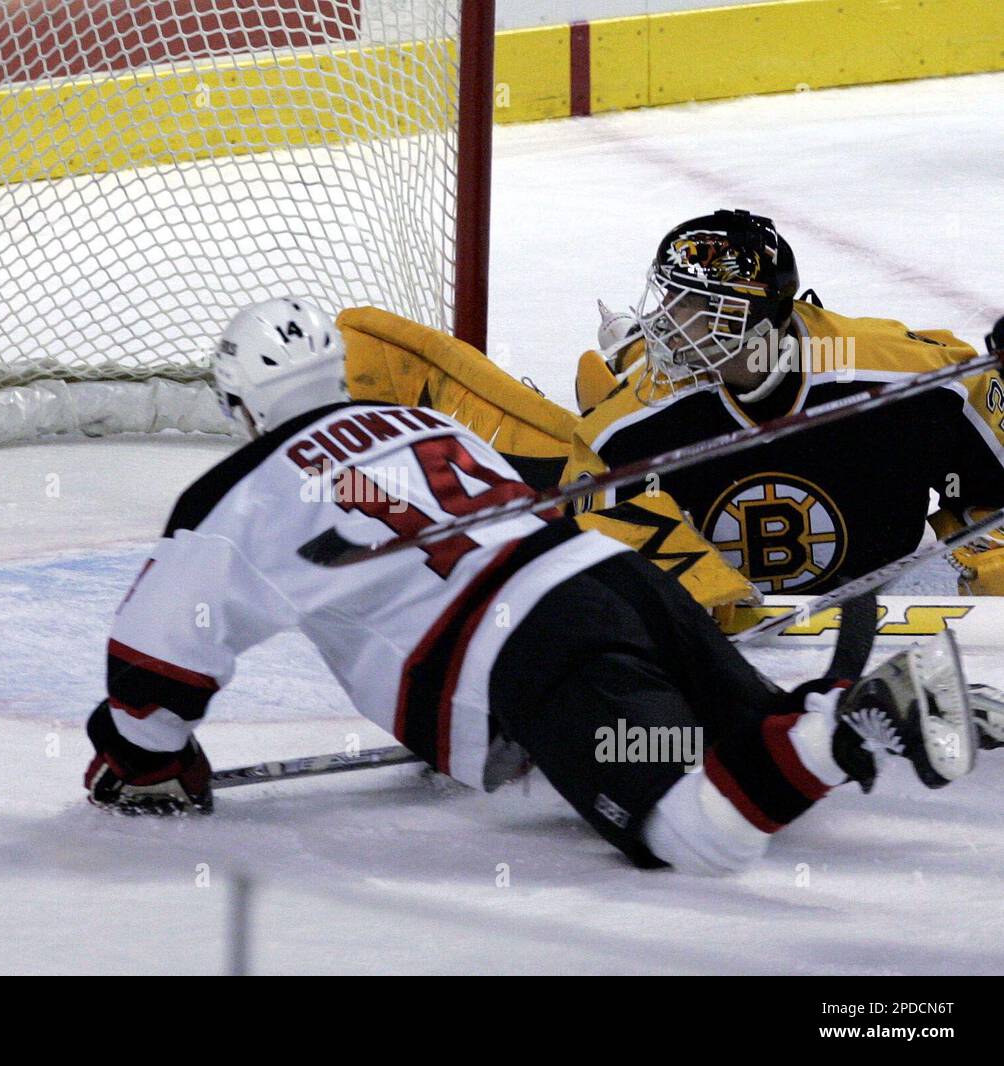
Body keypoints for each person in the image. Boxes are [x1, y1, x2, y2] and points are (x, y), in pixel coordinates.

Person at [82, 297, 978, 875]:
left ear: (240, 404)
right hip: (619, 582)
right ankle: (846, 719)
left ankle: (854, 725)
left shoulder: (237, 490)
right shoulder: (423, 423)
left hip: (534, 651)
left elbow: (156, 652)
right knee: (750, 743)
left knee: (696, 832)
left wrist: (144, 760)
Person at [567, 209, 1004, 596]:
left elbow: (980, 420)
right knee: (638, 382)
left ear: (746, 316)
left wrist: (987, 535)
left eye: (689, 303)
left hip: (878, 583)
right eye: (667, 297)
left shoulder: (901, 378)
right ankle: (627, 353)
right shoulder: (628, 426)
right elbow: (585, 560)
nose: (665, 317)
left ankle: (628, 348)